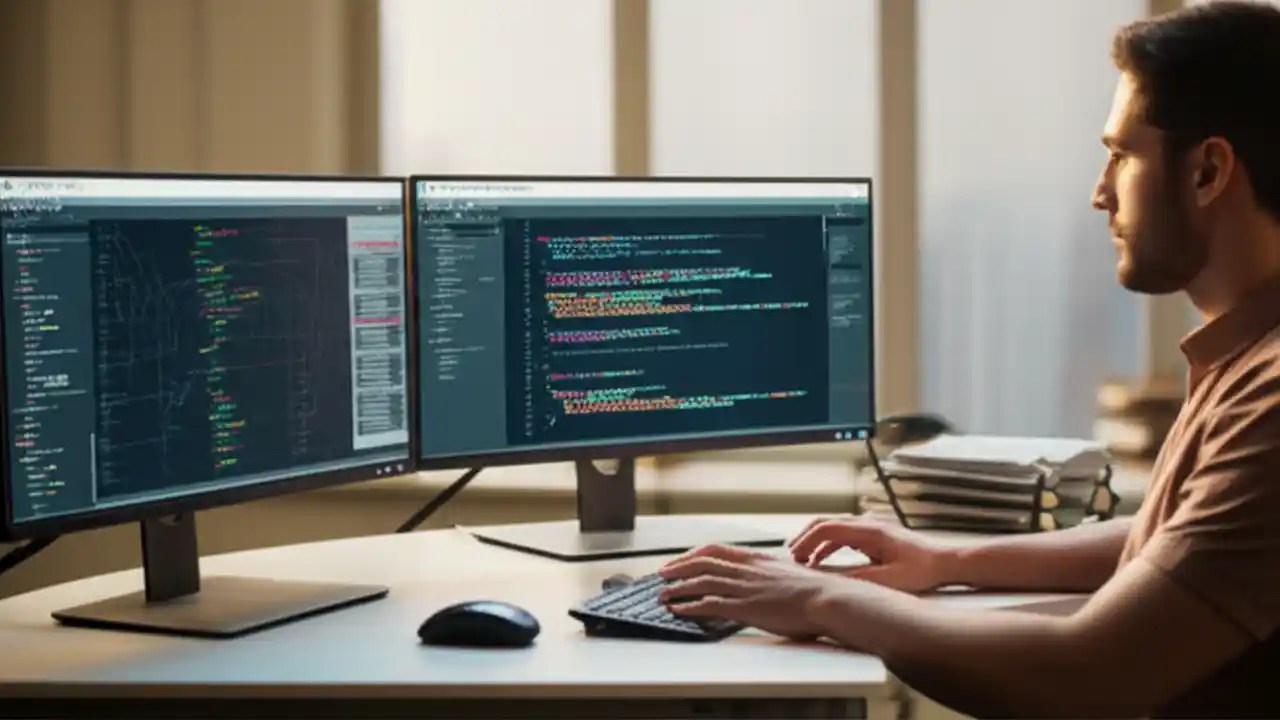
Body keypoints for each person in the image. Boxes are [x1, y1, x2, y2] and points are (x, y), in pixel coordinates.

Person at [658, 2, 1280, 717]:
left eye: (1121, 154)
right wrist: (944, 560)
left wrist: (820, 596)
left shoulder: (1272, 400)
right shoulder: (1247, 359)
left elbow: (1086, 676)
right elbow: (1175, 544)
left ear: (1207, 171)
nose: (1099, 192)